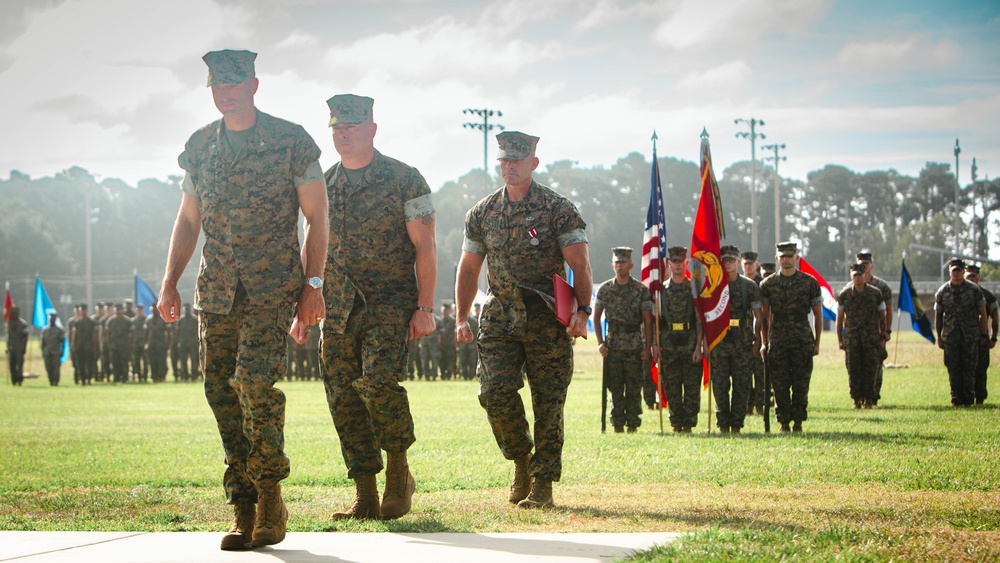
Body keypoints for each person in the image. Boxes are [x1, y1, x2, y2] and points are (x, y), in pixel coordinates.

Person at [158, 49, 328, 550]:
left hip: (273, 286)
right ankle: (244, 504)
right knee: (220, 391)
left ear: (254, 85)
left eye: (234, 84)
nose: (225, 92)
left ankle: (272, 493)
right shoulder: (200, 146)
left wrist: (313, 286)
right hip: (216, 291)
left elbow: (318, 218)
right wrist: (170, 281)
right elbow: (189, 220)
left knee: (253, 381)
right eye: (217, 85)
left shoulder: (290, 141)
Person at [307, 93, 436, 522]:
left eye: (352, 127)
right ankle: (365, 492)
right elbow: (311, 248)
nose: (343, 134)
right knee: (343, 397)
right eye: (337, 128)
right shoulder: (322, 184)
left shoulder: (405, 179)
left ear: (372, 130)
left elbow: (426, 246)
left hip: (389, 303)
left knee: (379, 383)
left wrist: (425, 306)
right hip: (338, 307)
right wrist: (302, 301)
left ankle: (399, 474)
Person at [456, 131, 592, 509]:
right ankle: (521, 459)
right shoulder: (482, 213)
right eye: (504, 160)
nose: (509, 166)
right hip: (500, 318)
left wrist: (583, 312)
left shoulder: (557, 208)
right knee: (493, 392)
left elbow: (579, 263)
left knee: (548, 402)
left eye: (517, 160)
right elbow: (468, 269)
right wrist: (462, 317)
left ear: (533, 163)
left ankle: (543, 484)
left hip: (547, 317)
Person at [759, 241, 822, 433]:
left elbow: (818, 315)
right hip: (777, 338)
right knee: (780, 382)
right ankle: (783, 422)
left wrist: (817, 342)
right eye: (782, 256)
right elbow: (763, 317)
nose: (786, 260)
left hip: (802, 337)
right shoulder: (767, 284)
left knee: (801, 382)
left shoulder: (809, 282)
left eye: (789, 256)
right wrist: (764, 343)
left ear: (796, 258)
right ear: (777, 259)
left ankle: (798, 422)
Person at [593, 246, 653, 433]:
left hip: (635, 344)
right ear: (612, 265)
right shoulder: (604, 289)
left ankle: (633, 425)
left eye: (623, 262)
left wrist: (647, 347)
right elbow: (596, 317)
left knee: (634, 387)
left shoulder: (640, 290)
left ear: (631, 265)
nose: (620, 265)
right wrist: (600, 343)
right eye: (617, 262)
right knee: (615, 387)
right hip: (613, 346)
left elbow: (647, 320)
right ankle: (617, 424)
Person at [710, 245, 763, 433]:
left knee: (742, 384)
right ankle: (723, 424)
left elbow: (759, 315)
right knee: (720, 384)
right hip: (720, 341)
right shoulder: (715, 285)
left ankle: (737, 424)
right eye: (725, 261)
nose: (728, 264)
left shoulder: (749, 286)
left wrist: (758, 341)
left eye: (731, 261)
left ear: (738, 263)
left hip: (742, 340)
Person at [655, 246, 704, 433]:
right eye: (673, 261)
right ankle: (676, 423)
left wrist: (699, 346)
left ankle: (689, 424)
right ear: (669, 263)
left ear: (686, 263)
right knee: (672, 386)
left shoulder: (694, 289)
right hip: (668, 343)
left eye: (680, 261)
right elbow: (657, 321)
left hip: (690, 341)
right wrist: (655, 345)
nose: (677, 265)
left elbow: (699, 320)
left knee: (692, 386)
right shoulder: (662, 291)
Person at [934, 258, 988, 407]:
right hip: (951, 338)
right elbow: (938, 316)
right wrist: (939, 337)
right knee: (953, 368)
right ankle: (956, 399)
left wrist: (983, 333)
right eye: (954, 271)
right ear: (950, 272)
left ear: (963, 271)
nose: (956, 274)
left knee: (969, 368)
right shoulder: (943, 291)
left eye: (959, 270)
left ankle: (969, 399)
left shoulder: (974, 290)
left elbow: (982, 313)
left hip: (970, 336)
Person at [836, 262, 886, 409]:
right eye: (855, 275)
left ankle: (869, 399)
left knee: (870, 369)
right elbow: (839, 319)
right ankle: (856, 399)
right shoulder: (844, 295)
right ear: (851, 276)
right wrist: (840, 339)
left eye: (860, 275)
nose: (857, 278)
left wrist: (883, 336)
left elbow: (882, 316)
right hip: (852, 339)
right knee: (853, 369)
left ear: (865, 275)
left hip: (871, 338)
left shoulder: (875, 293)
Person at [856, 251, 892, 406]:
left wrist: (886, 332)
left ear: (871, 265)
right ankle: (860, 397)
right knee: (857, 366)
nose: (864, 266)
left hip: (875, 333)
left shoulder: (882, 287)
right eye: (861, 263)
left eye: (866, 263)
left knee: (875, 365)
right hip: (856, 334)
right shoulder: (851, 286)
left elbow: (888, 310)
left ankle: (873, 395)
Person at [965, 264, 997, 404]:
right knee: (964, 369)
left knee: (981, 369)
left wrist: (994, 337)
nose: (971, 278)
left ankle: (980, 398)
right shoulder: (959, 292)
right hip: (963, 340)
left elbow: (995, 317)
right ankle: (965, 397)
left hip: (981, 340)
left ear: (978, 277)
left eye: (974, 275)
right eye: (969, 275)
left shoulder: (987, 295)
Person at [741, 250, 765, 415]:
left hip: (759, 333)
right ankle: (748, 404)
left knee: (760, 372)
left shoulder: (763, 284)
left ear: (756, 265)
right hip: (741, 335)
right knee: (744, 372)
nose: (748, 267)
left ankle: (760, 404)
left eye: (751, 264)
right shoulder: (738, 283)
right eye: (745, 264)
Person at [71, 304, 98, 385]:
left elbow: (94, 335)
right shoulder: (77, 322)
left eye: (84, 310)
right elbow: (74, 335)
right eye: (81, 310)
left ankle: (89, 379)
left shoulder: (92, 322)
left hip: (89, 346)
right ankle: (83, 379)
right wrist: (73, 345)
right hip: (80, 346)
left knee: (89, 364)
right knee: (80, 364)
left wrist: (94, 346)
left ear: (86, 310)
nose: (82, 312)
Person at [106, 303, 133, 383]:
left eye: (119, 309)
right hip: (114, 346)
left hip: (124, 346)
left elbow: (131, 333)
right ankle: (116, 377)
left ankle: (125, 377)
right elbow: (108, 333)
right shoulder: (111, 320)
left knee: (124, 362)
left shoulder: (127, 321)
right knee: (115, 362)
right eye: (117, 309)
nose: (118, 311)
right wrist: (108, 343)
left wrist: (130, 344)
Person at [145, 303, 170, 383]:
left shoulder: (163, 319)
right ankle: (154, 376)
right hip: (152, 343)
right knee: (152, 361)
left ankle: (162, 376)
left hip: (161, 343)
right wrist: (146, 343)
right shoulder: (148, 319)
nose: (154, 310)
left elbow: (168, 332)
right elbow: (146, 332)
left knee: (162, 361)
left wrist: (168, 343)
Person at [175, 303, 199, 381]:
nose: (186, 310)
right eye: (185, 309)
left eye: (188, 309)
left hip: (193, 343)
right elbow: (177, 332)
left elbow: (198, 332)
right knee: (183, 361)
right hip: (183, 343)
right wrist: (178, 342)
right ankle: (185, 376)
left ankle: (194, 376)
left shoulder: (195, 319)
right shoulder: (180, 320)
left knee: (194, 360)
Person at [41, 313, 66, 386]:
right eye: (50, 318)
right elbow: (43, 342)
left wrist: (62, 352)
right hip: (47, 352)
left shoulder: (60, 330)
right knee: (48, 368)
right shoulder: (45, 330)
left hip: (56, 352)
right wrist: (43, 351)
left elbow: (63, 342)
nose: (51, 320)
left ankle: (56, 381)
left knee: (56, 368)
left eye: (53, 319)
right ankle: (51, 381)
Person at [458, 303, 480, 380]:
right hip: (463, 345)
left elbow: (477, 334)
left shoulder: (474, 321)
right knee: (463, 361)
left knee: (472, 361)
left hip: (472, 345)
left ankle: (471, 375)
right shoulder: (460, 322)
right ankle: (464, 375)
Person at [438, 303, 458, 380]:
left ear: (449, 311)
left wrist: (455, 344)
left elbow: (455, 333)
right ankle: (442, 374)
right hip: (441, 345)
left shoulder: (453, 321)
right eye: (443, 310)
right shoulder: (439, 320)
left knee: (450, 359)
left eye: (446, 310)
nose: (444, 312)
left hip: (450, 344)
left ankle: (449, 374)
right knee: (441, 360)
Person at [131, 304, 148, 382]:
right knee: (136, 361)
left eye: (140, 310)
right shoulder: (132, 321)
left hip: (144, 344)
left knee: (145, 361)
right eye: (138, 310)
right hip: (135, 344)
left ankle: (145, 376)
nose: (139, 312)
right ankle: (138, 376)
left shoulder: (146, 320)